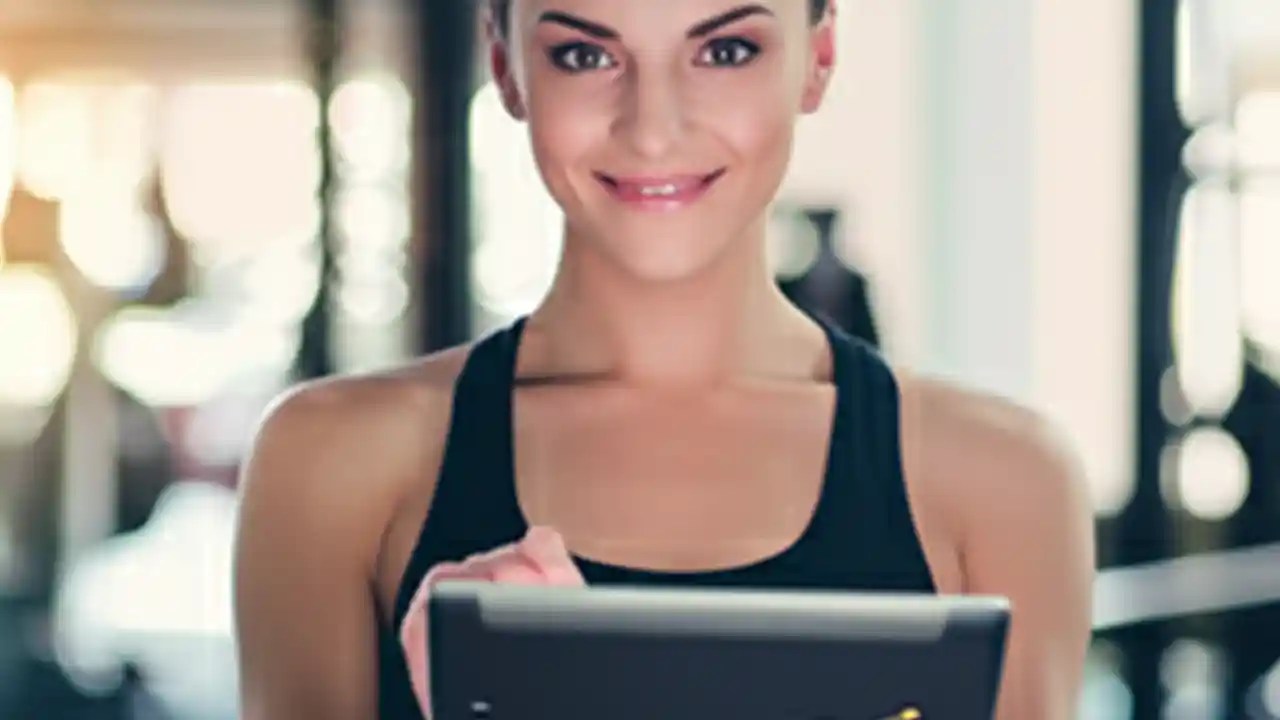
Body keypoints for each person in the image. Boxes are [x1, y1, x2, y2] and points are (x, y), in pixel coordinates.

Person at [232, 1, 1096, 719]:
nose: (653, 129)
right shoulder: (332, 463)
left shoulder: (1004, 481)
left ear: (817, 57)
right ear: (505, 66)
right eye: (582, 54)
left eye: (724, 49)